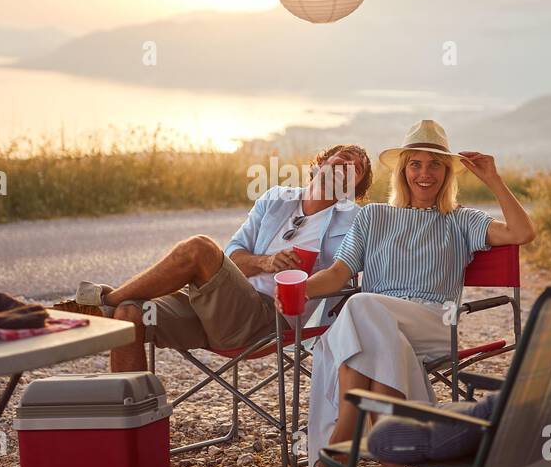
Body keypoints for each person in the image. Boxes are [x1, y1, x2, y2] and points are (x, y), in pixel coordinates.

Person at [298, 119, 535, 467]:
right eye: (415, 164)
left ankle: (339, 446)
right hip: (376, 329)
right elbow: (337, 273)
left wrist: (495, 180)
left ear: (446, 175)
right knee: (372, 334)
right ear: (402, 170)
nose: (424, 174)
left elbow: (522, 231)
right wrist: (297, 292)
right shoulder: (373, 216)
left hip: (431, 321)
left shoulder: (461, 220)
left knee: (361, 308)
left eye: (435, 166)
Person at [61, 144, 372, 373]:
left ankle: (102, 302)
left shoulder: (354, 221)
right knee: (130, 314)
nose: (348, 163)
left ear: (354, 189)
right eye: (342, 157)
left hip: (267, 321)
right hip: (215, 308)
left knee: (199, 248)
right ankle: (130, 425)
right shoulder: (276, 199)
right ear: (318, 164)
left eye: (356, 168)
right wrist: (265, 262)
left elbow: (345, 277)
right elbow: (233, 256)